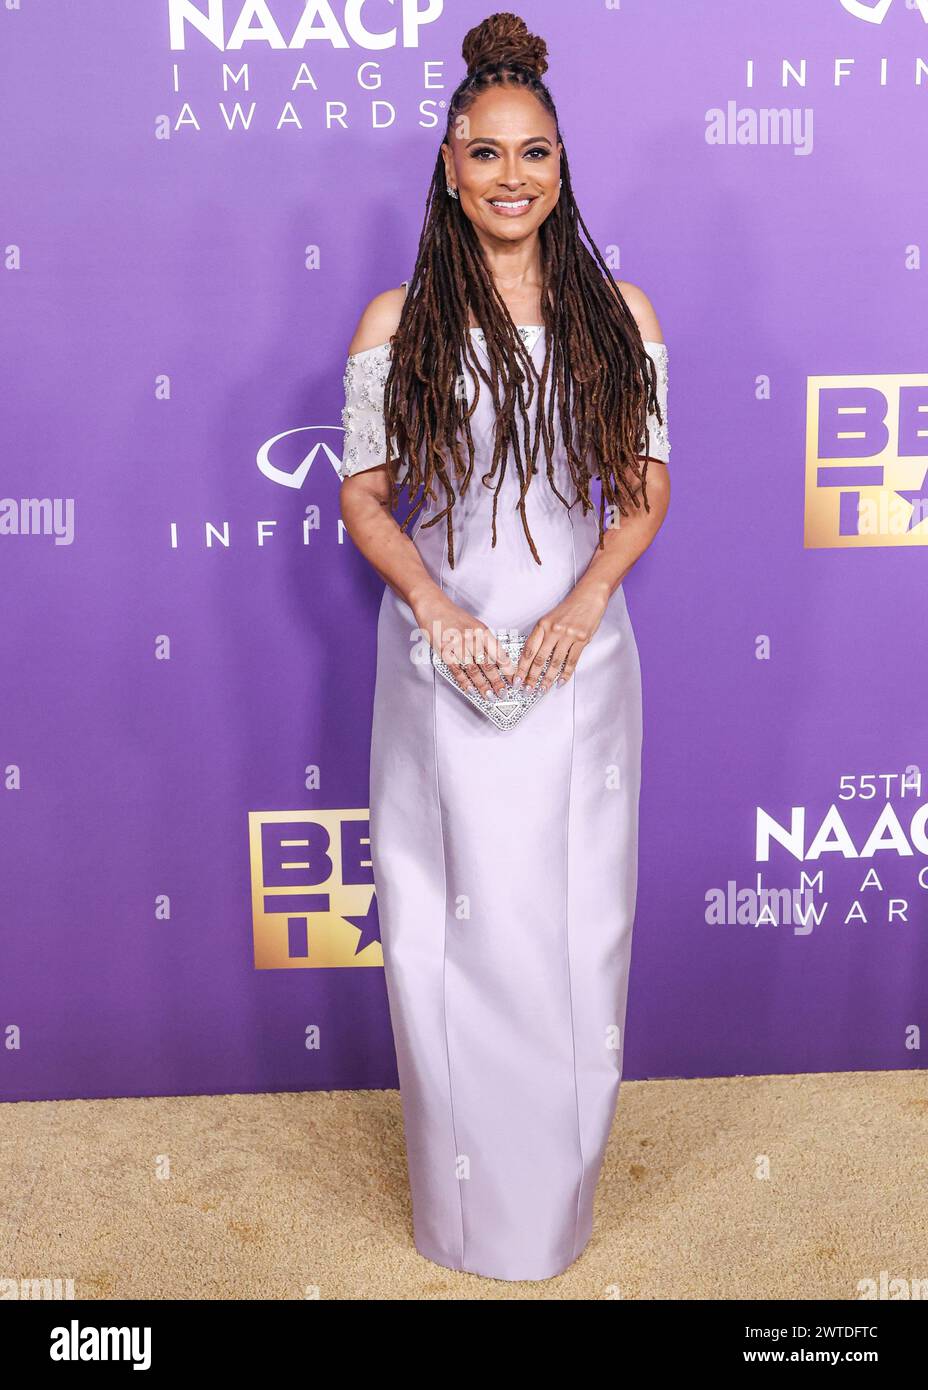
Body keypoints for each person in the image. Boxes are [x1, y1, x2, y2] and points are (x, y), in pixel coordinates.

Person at [338, 11, 671, 1282]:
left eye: (534, 152)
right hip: (441, 668)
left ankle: (551, 1214)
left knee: (571, 937)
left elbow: (644, 488)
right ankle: (458, 1216)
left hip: (580, 667)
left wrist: (585, 603)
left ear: (561, 164)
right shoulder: (397, 322)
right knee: (445, 939)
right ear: (449, 165)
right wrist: (434, 607)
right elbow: (367, 498)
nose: (511, 177)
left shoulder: (617, 314)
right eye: (486, 153)